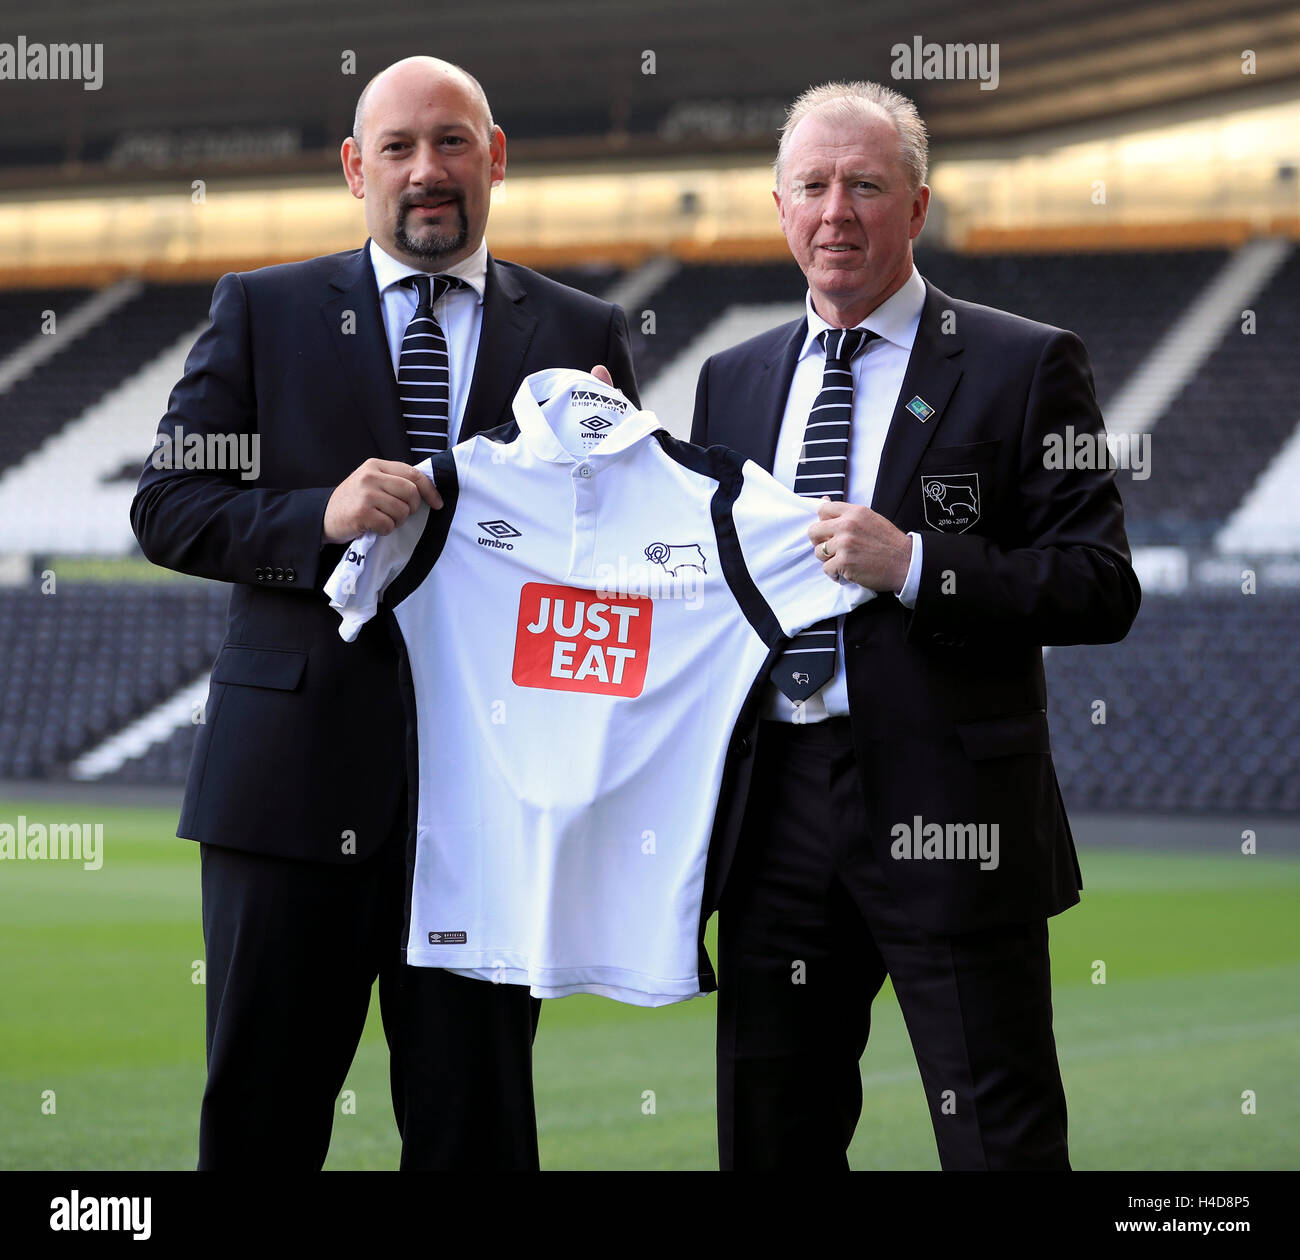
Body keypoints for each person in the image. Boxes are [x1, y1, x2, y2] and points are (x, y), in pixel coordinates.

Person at [130, 55, 638, 1171]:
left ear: (494, 158)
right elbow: (167, 508)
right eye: (399, 149)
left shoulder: (581, 330)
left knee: (477, 1134)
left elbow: (622, 562)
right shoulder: (261, 310)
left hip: (491, 815)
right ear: (356, 169)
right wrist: (321, 515)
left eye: (452, 142)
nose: (427, 172)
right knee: (262, 1119)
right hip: (288, 794)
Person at [690, 81, 1140, 1170]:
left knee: (997, 1138)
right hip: (772, 817)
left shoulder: (1024, 362)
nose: (834, 210)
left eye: (864, 184)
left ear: (917, 206)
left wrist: (917, 566)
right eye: (811, 186)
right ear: (779, 206)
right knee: (770, 1136)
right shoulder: (729, 381)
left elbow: (1097, 584)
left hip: (950, 812)